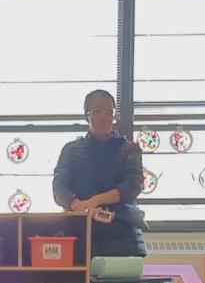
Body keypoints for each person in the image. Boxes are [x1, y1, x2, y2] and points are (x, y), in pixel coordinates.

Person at [53, 90, 146, 258]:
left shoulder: (130, 149)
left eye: (109, 111)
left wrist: (95, 201)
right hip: (81, 231)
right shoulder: (71, 150)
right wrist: (78, 206)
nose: (103, 117)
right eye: (96, 112)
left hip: (123, 233)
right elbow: (60, 188)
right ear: (86, 116)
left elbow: (132, 186)